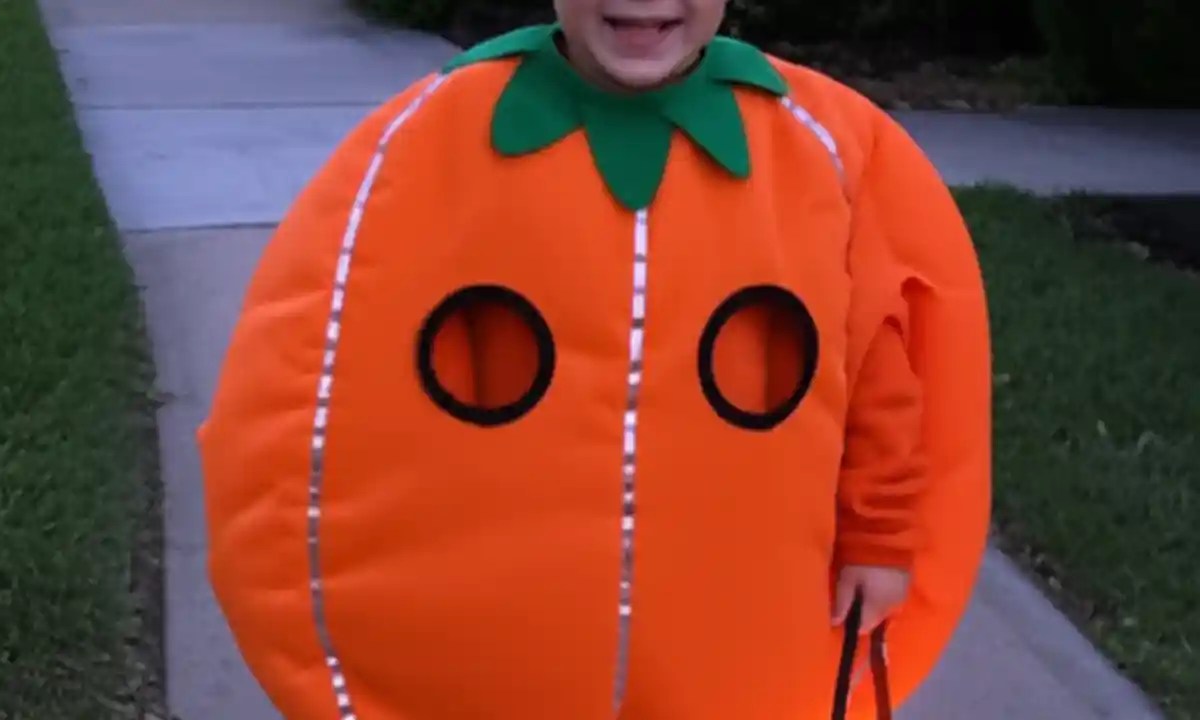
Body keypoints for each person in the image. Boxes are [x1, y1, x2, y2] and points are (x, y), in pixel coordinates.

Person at [198, 1, 993, 719]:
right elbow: (337, 368)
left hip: (733, 610)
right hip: (512, 618)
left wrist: (880, 539)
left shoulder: (820, 152)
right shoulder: (436, 146)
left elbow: (877, 373)